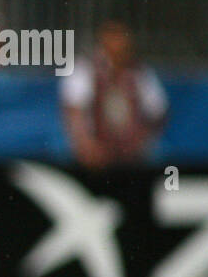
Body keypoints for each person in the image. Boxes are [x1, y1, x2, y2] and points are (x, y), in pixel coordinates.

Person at [61, 20, 168, 169]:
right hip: (95, 154)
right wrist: (85, 144)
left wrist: (141, 141)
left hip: (131, 156)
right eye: (113, 37)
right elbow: (73, 110)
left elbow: (158, 111)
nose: (118, 43)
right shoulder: (86, 69)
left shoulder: (139, 72)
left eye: (121, 38)